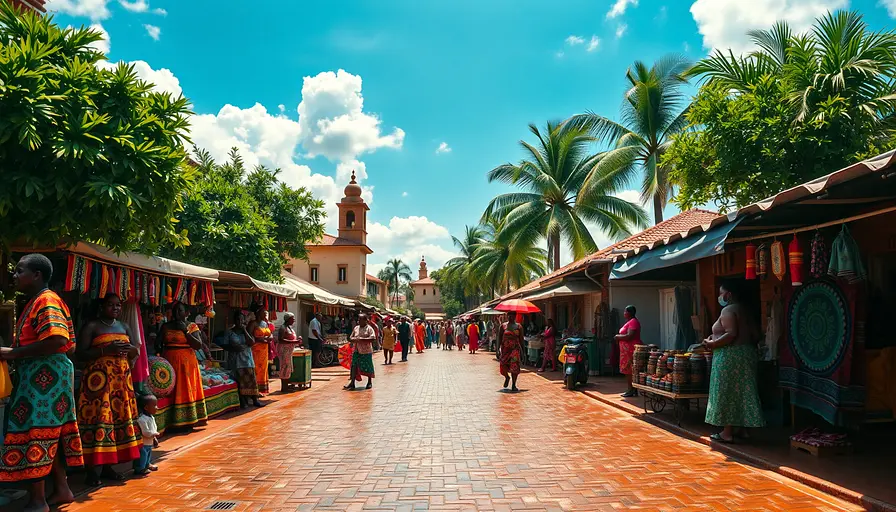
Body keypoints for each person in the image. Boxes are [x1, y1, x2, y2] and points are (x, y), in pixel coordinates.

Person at [0, 254, 83, 512]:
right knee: (50, 433)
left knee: (36, 432)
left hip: (44, 380)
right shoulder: (37, 301)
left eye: (20, 271)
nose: (15, 276)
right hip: (44, 376)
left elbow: (58, 340)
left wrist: (10, 354)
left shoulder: (46, 300)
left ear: (37, 275)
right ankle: (62, 489)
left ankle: (38, 501)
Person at [76, 293, 141, 486]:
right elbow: (80, 353)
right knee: (96, 420)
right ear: (102, 306)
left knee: (115, 421)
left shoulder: (124, 326)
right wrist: (106, 350)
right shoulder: (92, 326)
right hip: (97, 385)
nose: (115, 308)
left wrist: (129, 350)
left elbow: (133, 352)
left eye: (118, 305)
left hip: (120, 383)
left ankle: (107, 467)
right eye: (111, 305)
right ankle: (90, 471)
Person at [704, 280, 765, 443]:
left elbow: (731, 334)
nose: (719, 297)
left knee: (727, 391)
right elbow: (756, 335)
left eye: (720, 293)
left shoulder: (728, 310)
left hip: (730, 356)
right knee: (743, 391)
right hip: (747, 354)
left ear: (728, 294)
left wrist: (712, 343)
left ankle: (727, 432)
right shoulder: (746, 310)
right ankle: (742, 429)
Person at [159, 301, 208, 429]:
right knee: (171, 390)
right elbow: (158, 344)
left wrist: (185, 331)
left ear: (186, 313)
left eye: (180, 311)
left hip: (187, 364)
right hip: (169, 362)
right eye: (175, 310)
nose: (176, 313)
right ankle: (171, 420)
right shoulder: (166, 326)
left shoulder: (191, 326)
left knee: (186, 388)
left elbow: (198, 345)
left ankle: (188, 420)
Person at [224, 310, 262, 408]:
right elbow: (225, 345)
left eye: (241, 319)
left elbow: (251, 342)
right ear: (235, 320)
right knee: (239, 381)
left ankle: (255, 399)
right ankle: (243, 401)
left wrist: (244, 330)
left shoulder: (246, 330)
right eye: (238, 319)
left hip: (247, 359)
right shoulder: (230, 332)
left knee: (251, 379)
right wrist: (233, 348)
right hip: (235, 359)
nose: (240, 321)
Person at [615, 305, 642, 397]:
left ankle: (632, 389)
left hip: (630, 350)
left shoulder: (633, 322)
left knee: (630, 370)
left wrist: (617, 337)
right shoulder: (629, 322)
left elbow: (630, 336)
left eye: (625, 311)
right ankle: (630, 389)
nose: (624, 313)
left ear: (630, 313)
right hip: (625, 351)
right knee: (627, 370)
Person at [345, 314, 376, 390]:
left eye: (361, 320)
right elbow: (351, 337)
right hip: (356, 350)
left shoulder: (369, 328)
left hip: (366, 351)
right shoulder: (356, 328)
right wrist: (353, 339)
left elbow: (373, 338)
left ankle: (369, 382)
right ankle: (352, 383)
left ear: (366, 320)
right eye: (358, 319)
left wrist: (362, 339)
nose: (359, 321)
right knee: (354, 365)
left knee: (368, 366)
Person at [132, 394, 160, 476]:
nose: (157, 407)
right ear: (146, 408)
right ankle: (139, 468)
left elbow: (153, 428)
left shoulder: (151, 417)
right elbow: (145, 432)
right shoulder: (142, 419)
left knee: (148, 454)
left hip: (149, 442)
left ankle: (147, 464)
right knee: (142, 455)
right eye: (154, 405)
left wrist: (154, 437)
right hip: (143, 442)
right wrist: (154, 434)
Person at [276, 312, 302, 392]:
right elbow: (281, 339)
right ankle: (284, 388)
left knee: (288, 368)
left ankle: (286, 386)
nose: (294, 320)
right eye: (292, 318)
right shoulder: (283, 328)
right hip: (284, 351)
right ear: (288, 319)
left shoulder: (289, 327)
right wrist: (294, 342)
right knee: (284, 367)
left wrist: (298, 340)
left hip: (289, 351)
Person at [498, 312, 524, 391]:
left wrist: (523, 352)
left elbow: (521, 340)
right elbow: (499, 338)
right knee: (503, 366)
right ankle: (506, 377)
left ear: (515, 316)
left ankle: (514, 384)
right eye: (509, 315)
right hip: (505, 350)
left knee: (514, 367)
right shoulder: (503, 326)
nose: (510, 317)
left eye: (512, 315)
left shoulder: (519, 327)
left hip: (515, 350)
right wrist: (497, 350)